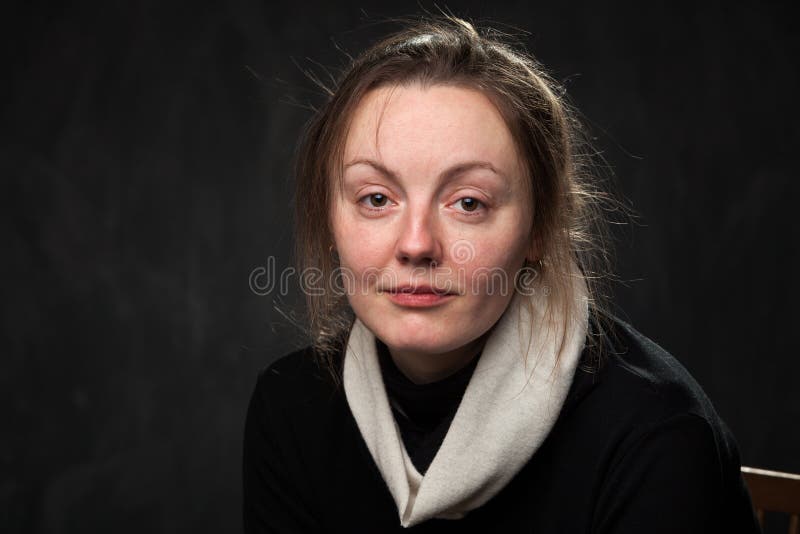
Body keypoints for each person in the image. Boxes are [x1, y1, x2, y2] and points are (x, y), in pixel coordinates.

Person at [242, 15, 761, 533]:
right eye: (376, 199)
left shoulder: (654, 432)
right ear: (330, 218)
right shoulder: (292, 406)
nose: (417, 244)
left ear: (539, 228)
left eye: (468, 202)